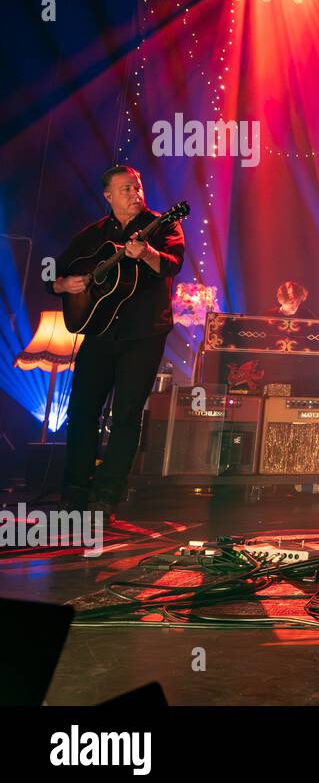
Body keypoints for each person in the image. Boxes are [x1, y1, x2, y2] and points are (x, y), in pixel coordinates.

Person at [48, 165, 185, 521]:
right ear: (108, 196)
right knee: (81, 412)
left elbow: (172, 264)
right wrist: (62, 285)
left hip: (144, 333)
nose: (135, 194)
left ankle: (107, 495)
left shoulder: (164, 224)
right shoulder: (93, 235)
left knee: (125, 414)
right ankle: (74, 491)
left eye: (137, 187)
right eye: (126, 189)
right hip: (98, 333)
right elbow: (54, 269)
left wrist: (148, 255)